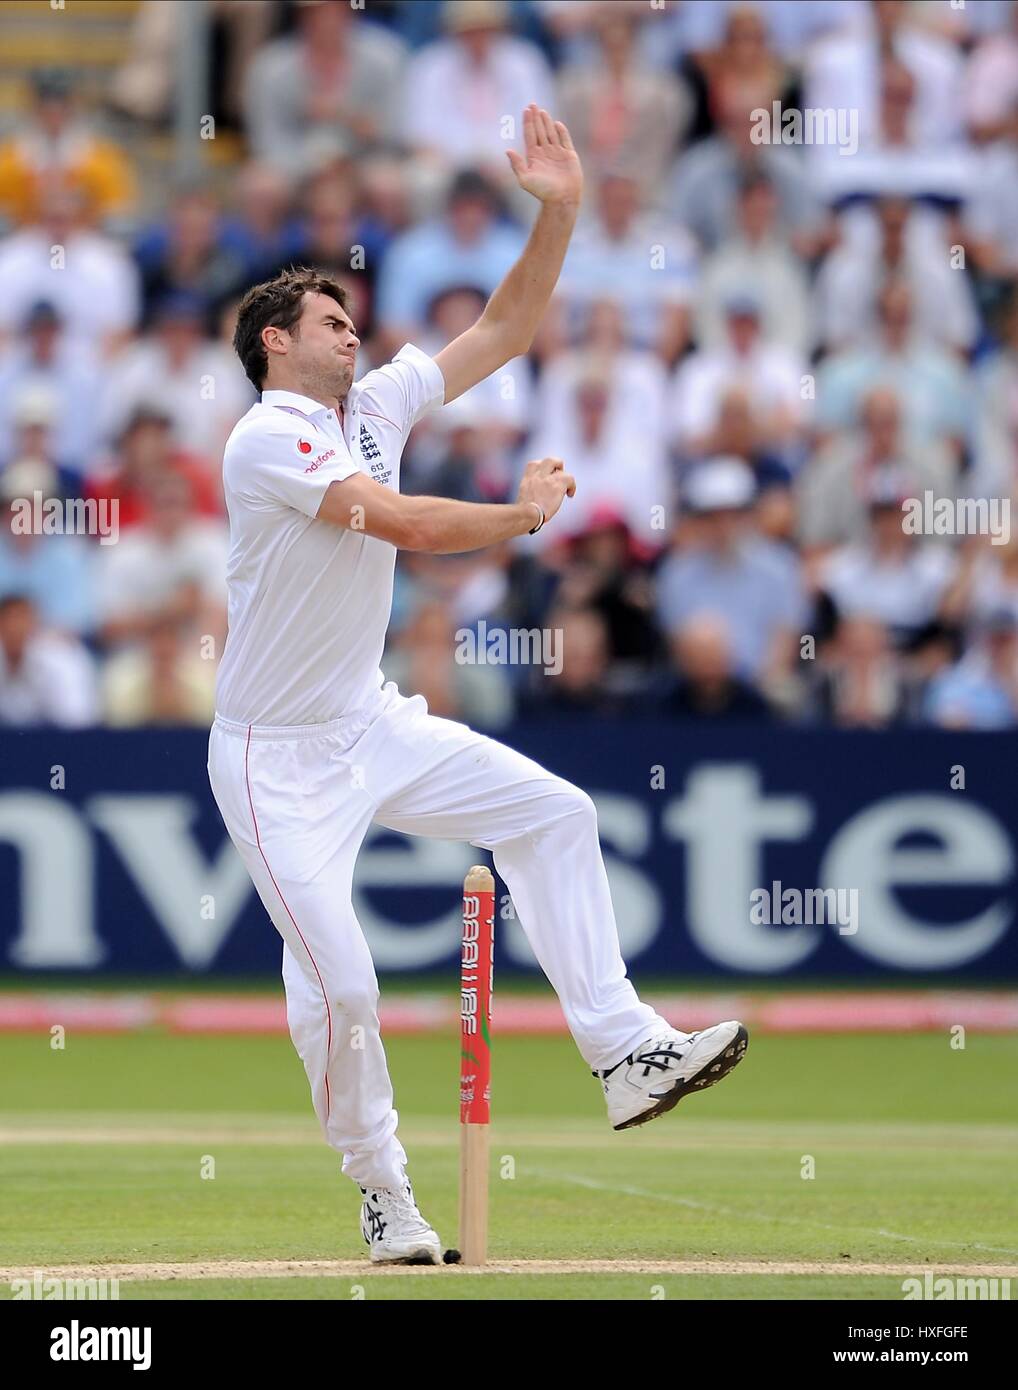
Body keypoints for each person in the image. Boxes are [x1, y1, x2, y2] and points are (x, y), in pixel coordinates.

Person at [206, 107, 747, 1266]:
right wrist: (520, 517)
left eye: (354, 320)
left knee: (557, 813)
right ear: (273, 346)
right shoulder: (268, 438)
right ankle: (385, 1193)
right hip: (269, 758)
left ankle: (624, 1049)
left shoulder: (378, 404)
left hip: (368, 719)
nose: (354, 336)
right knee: (342, 986)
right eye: (329, 322)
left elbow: (504, 324)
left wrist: (557, 210)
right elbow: (395, 518)